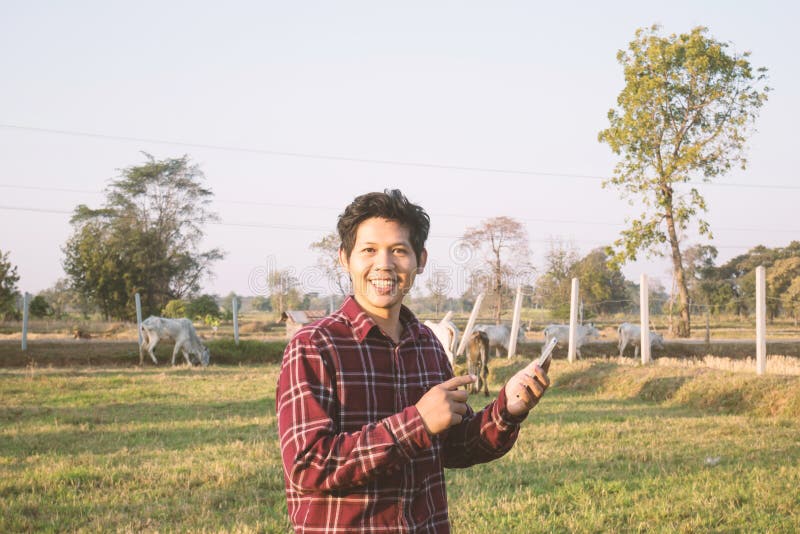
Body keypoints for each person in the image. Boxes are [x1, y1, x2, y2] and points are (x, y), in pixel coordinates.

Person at [276, 189, 550, 533]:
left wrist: (507, 409)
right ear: (345, 258)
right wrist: (417, 422)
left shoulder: (428, 347)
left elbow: (452, 448)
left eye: (399, 251)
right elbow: (308, 465)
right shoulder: (314, 346)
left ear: (420, 260)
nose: (384, 264)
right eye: (369, 250)